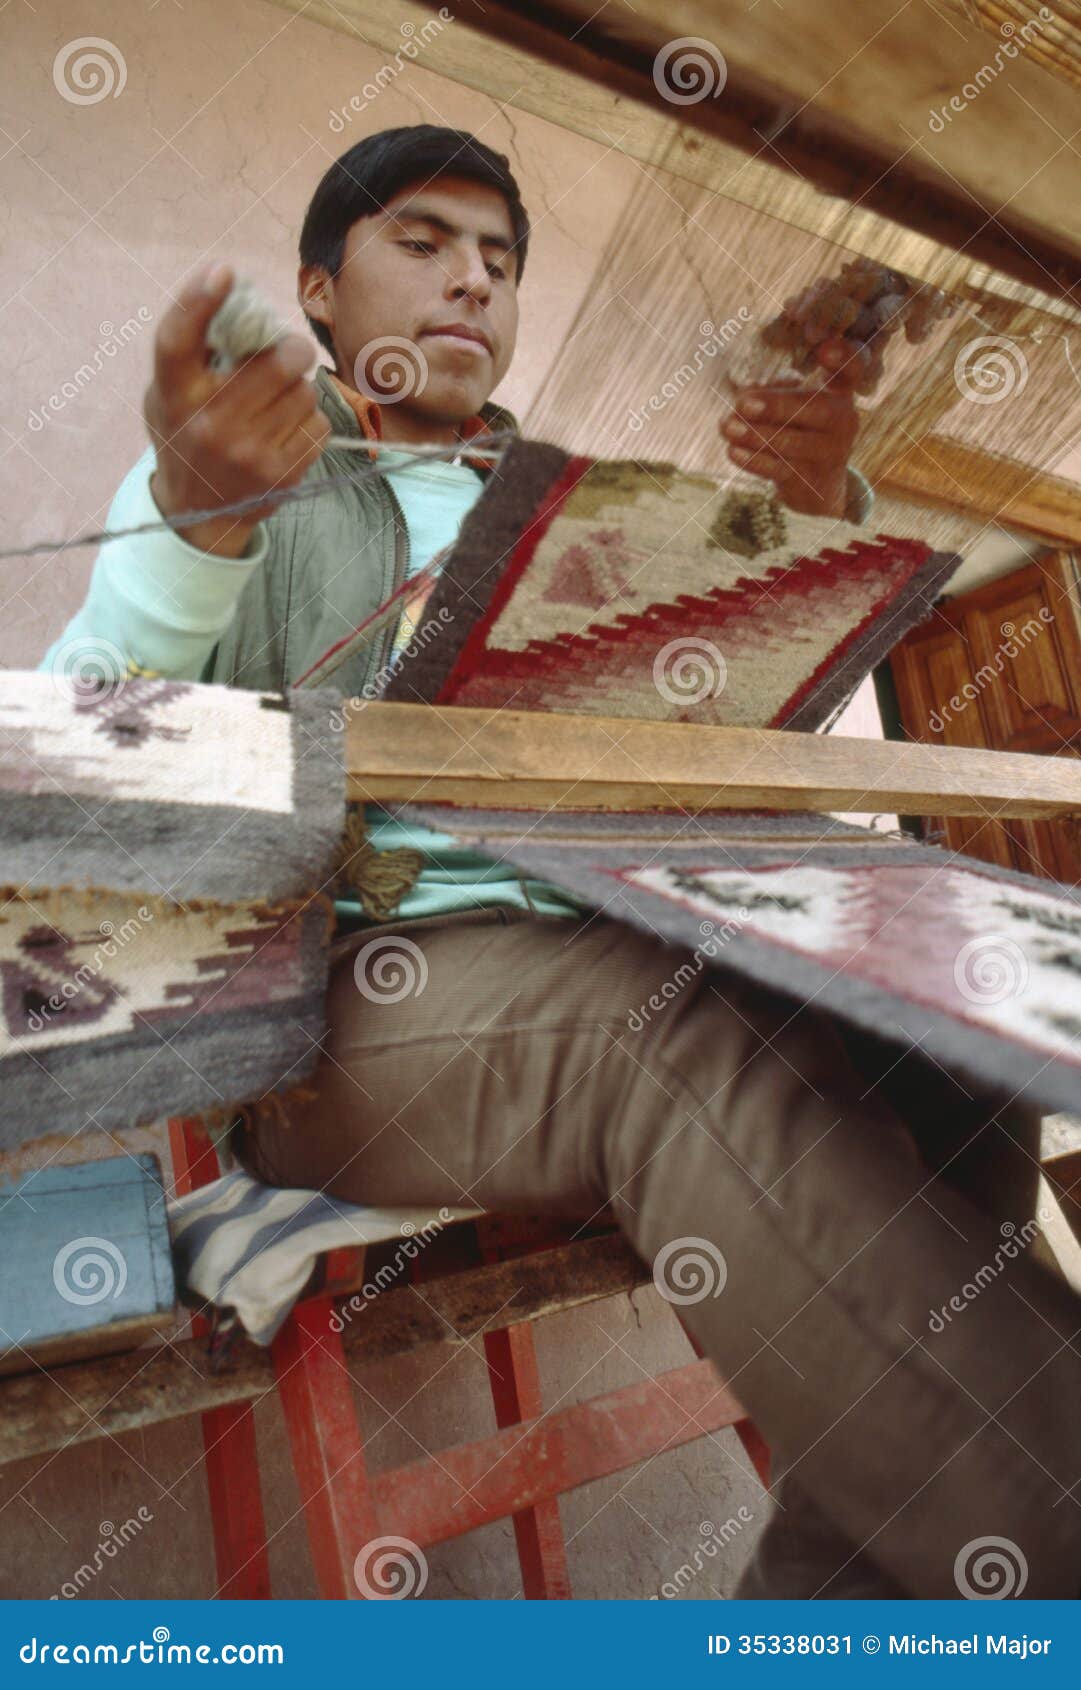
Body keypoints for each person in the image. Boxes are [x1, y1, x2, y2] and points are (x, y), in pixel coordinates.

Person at [41, 125, 1081, 1600]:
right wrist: (194, 517)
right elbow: (81, 758)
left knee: (947, 1009)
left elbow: (732, 727)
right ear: (319, 290)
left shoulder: (559, 504)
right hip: (343, 1010)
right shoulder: (234, 475)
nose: (471, 279)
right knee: (657, 1028)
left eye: (499, 260)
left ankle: (884, 1585)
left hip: (616, 939)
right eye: (421, 242)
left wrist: (808, 512)